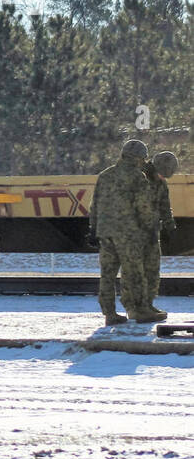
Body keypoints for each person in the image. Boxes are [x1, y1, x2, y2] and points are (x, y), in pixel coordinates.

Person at [88, 139, 161, 324]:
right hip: (128, 233)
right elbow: (143, 207)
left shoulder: (105, 175)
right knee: (133, 272)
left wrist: (93, 228)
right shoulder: (137, 177)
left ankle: (109, 314)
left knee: (107, 274)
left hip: (105, 233)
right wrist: (152, 227)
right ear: (139, 158)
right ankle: (139, 310)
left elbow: (94, 205)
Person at [142, 151, 179, 314]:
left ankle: (148, 303)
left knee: (153, 268)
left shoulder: (161, 183)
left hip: (151, 232)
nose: (162, 178)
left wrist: (170, 226)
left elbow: (165, 206)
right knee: (136, 271)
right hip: (134, 232)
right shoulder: (137, 179)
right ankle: (137, 307)